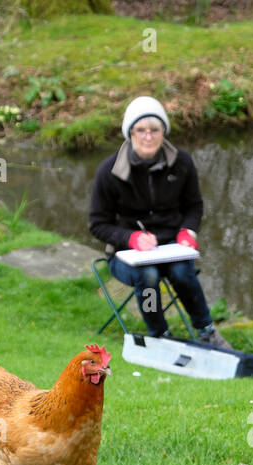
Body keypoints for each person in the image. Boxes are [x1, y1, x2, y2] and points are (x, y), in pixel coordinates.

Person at [89, 96, 230, 349]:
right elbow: (98, 224)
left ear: (163, 131)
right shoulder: (109, 171)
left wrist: (188, 231)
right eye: (140, 130)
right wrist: (130, 238)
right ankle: (160, 336)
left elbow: (194, 206)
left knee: (183, 272)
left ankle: (206, 330)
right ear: (129, 133)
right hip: (125, 255)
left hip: (171, 249)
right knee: (149, 275)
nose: (148, 136)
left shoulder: (182, 162)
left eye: (154, 129)